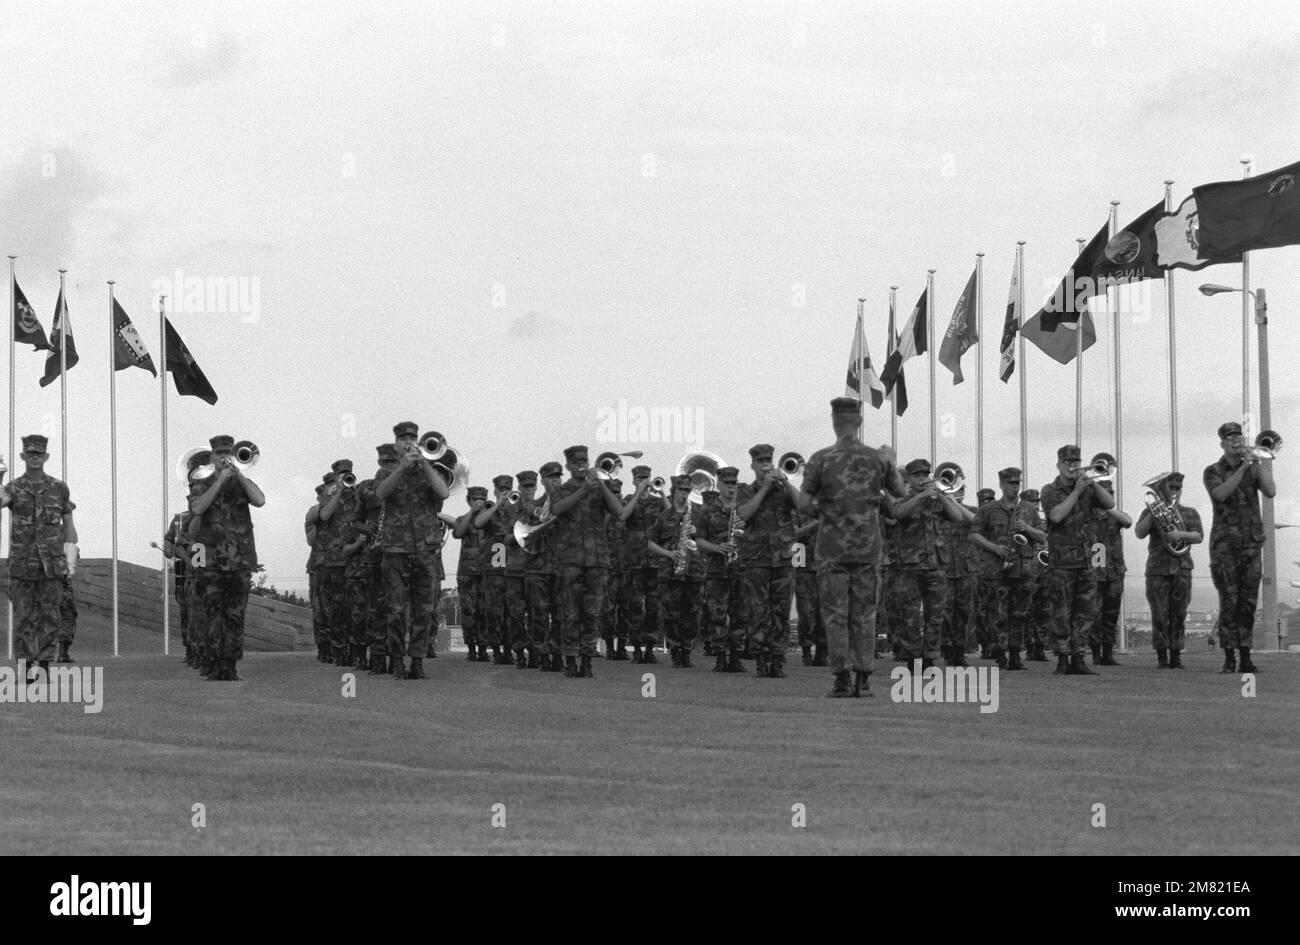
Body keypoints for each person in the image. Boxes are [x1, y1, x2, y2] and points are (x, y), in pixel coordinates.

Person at [796, 398, 904, 697]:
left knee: (834, 613)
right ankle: (863, 679)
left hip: (831, 548)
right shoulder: (878, 460)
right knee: (865, 613)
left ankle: (841, 678)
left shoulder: (821, 459)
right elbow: (900, 495)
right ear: (859, 422)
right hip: (868, 548)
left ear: (834, 421)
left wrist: (830, 513)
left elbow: (804, 503)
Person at [374, 422, 449, 680]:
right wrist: (403, 467)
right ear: (395, 443)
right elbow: (381, 494)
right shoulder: (386, 472)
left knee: (423, 608)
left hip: (425, 549)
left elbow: (444, 492)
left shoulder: (430, 471)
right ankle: (396, 660)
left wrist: (425, 464)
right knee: (395, 609)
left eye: (412, 437)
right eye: (403, 438)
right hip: (396, 548)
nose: (408, 441)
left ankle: (417, 661)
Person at [189, 434, 265, 681]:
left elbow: (260, 500)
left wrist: (239, 476)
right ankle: (213, 663)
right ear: (212, 457)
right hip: (211, 559)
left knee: (235, 615)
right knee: (212, 613)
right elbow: (198, 508)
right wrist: (220, 480)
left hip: (240, 559)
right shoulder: (201, 483)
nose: (223, 458)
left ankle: (230, 665)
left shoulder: (242, 482)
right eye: (219, 454)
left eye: (227, 454)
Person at [1, 435, 77, 682]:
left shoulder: (59, 488)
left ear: (46, 457)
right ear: (23, 456)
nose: (35, 458)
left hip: (51, 566)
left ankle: (43, 665)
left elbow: (68, 526)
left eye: (39, 454)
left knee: (50, 615)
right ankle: (25, 667)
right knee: (23, 617)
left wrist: (71, 558)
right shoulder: (13, 488)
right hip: (22, 565)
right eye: (30, 454)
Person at [1204, 421, 1275, 674]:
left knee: (1247, 602)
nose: (1236, 441)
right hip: (1225, 546)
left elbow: (1270, 492)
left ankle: (1246, 656)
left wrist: (1259, 465)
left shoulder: (1253, 468)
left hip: (1252, 543)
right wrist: (1244, 467)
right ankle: (1229, 656)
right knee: (1229, 601)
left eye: (1239, 437)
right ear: (1222, 443)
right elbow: (1221, 494)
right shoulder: (1212, 470)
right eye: (1231, 438)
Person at [1040, 444, 1115, 676]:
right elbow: (1056, 515)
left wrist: (1092, 482)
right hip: (1061, 563)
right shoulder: (1050, 490)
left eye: (1076, 462)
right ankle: (1062, 658)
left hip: (1086, 561)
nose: (1073, 466)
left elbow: (1110, 504)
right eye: (1068, 463)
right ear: (1059, 465)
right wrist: (1076, 491)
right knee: (1061, 613)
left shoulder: (1088, 488)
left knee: (1084, 613)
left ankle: (1079, 657)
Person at [550, 445, 624, 678]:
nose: (581, 464)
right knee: (569, 612)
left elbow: (619, 511)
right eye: (576, 462)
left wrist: (600, 483)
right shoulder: (562, 489)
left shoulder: (599, 487)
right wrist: (583, 490)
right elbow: (557, 509)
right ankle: (571, 660)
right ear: (568, 466)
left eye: (585, 460)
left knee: (593, 613)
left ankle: (588, 661)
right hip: (570, 560)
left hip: (597, 560)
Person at [890, 458, 968, 669]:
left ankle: (929, 657)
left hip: (936, 566)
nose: (922, 479)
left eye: (925, 476)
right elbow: (898, 514)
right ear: (909, 479)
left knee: (936, 616)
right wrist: (921, 495)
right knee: (910, 615)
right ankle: (912, 658)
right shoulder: (902, 501)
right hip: (910, 566)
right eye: (917, 476)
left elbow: (959, 517)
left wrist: (942, 496)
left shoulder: (937, 501)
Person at [969, 469, 1045, 670]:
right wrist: (994, 547)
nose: (1015, 487)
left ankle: (1015, 654)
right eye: (1011, 483)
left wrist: (1026, 528)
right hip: (997, 569)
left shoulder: (1028, 509)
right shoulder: (989, 509)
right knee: (998, 614)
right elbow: (974, 534)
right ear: (1001, 484)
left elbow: (1043, 535)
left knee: (1020, 613)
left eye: (1017, 483)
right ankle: (999, 653)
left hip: (1023, 568)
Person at [736, 444, 801, 678]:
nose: (765, 465)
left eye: (768, 461)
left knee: (781, 611)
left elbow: (804, 506)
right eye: (761, 462)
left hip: (783, 558)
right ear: (752, 465)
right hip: (757, 560)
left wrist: (786, 483)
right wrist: (764, 489)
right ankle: (762, 660)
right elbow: (742, 516)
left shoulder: (784, 490)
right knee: (758, 611)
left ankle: (778, 658)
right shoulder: (745, 490)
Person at [1135, 472, 1203, 668]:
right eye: (1169, 488)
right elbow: (1139, 532)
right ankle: (1161, 658)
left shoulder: (1190, 512)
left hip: (1182, 568)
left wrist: (1180, 534)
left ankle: (1176, 656)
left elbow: (1198, 537)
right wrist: (1153, 512)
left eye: (1176, 488)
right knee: (1159, 614)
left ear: (1181, 490)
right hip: (1158, 569)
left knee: (1179, 614)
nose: (1173, 492)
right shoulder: (1151, 510)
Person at [647, 474, 706, 666]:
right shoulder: (663, 516)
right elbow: (648, 542)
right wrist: (667, 553)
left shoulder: (697, 514)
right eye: (681, 490)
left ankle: (687, 651)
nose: (684, 494)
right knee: (671, 614)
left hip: (694, 570)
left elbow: (707, 540)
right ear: (674, 491)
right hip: (669, 571)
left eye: (687, 490)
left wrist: (698, 534)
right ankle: (675, 651)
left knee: (691, 612)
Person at [694, 466, 748, 672]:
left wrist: (745, 537)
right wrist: (717, 548)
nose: (731, 488)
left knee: (740, 614)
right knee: (717, 614)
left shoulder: (743, 510)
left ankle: (735, 656)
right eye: (727, 484)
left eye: (734, 484)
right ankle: (719, 657)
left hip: (740, 569)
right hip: (717, 570)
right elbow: (699, 541)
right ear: (719, 484)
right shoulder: (707, 510)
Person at [1086, 453, 1132, 667]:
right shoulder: (1089, 516)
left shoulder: (1114, 515)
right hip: (1097, 570)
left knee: (1112, 613)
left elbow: (1128, 521)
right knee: (1095, 613)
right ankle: (1095, 651)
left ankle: (1108, 651)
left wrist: (1110, 508)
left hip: (1115, 570)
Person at [453, 485, 489, 662]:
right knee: (468, 610)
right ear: (469, 501)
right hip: (467, 572)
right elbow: (458, 533)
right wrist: (471, 513)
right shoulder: (463, 518)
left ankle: (483, 647)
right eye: (475, 499)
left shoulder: (490, 519)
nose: (478, 502)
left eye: (481, 499)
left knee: (484, 611)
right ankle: (471, 647)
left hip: (486, 571)